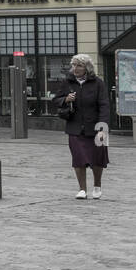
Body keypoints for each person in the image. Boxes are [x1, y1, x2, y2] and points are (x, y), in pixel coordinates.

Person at [52, 54, 110, 199]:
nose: (75, 68)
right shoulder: (68, 82)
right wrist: (66, 99)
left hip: (97, 128)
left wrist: (103, 129)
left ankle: (97, 186)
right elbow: (56, 100)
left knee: (99, 158)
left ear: (87, 68)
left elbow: (104, 106)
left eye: (79, 65)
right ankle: (82, 189)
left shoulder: (98, 83)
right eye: (74, 65)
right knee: (78, 158)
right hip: (75, 127)